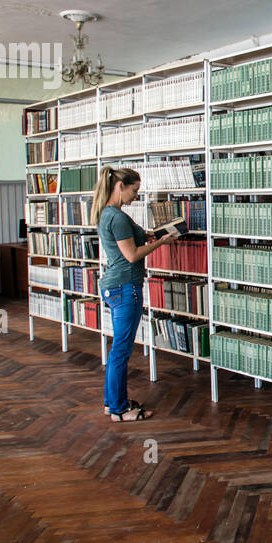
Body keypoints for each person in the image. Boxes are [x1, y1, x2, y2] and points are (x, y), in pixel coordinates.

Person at [91, 166, 177, 421]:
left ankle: (112, 403)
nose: (136, 196)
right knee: (121, 351)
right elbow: (131, 255)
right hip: (125, 286)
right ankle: (119, 410)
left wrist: (150, 234)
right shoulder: (116, 217)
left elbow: (129, 241)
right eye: (134, 190)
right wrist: (160, 243)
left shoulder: (108, 213)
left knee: (117, 350)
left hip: (114, 286)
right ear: (120, 187)